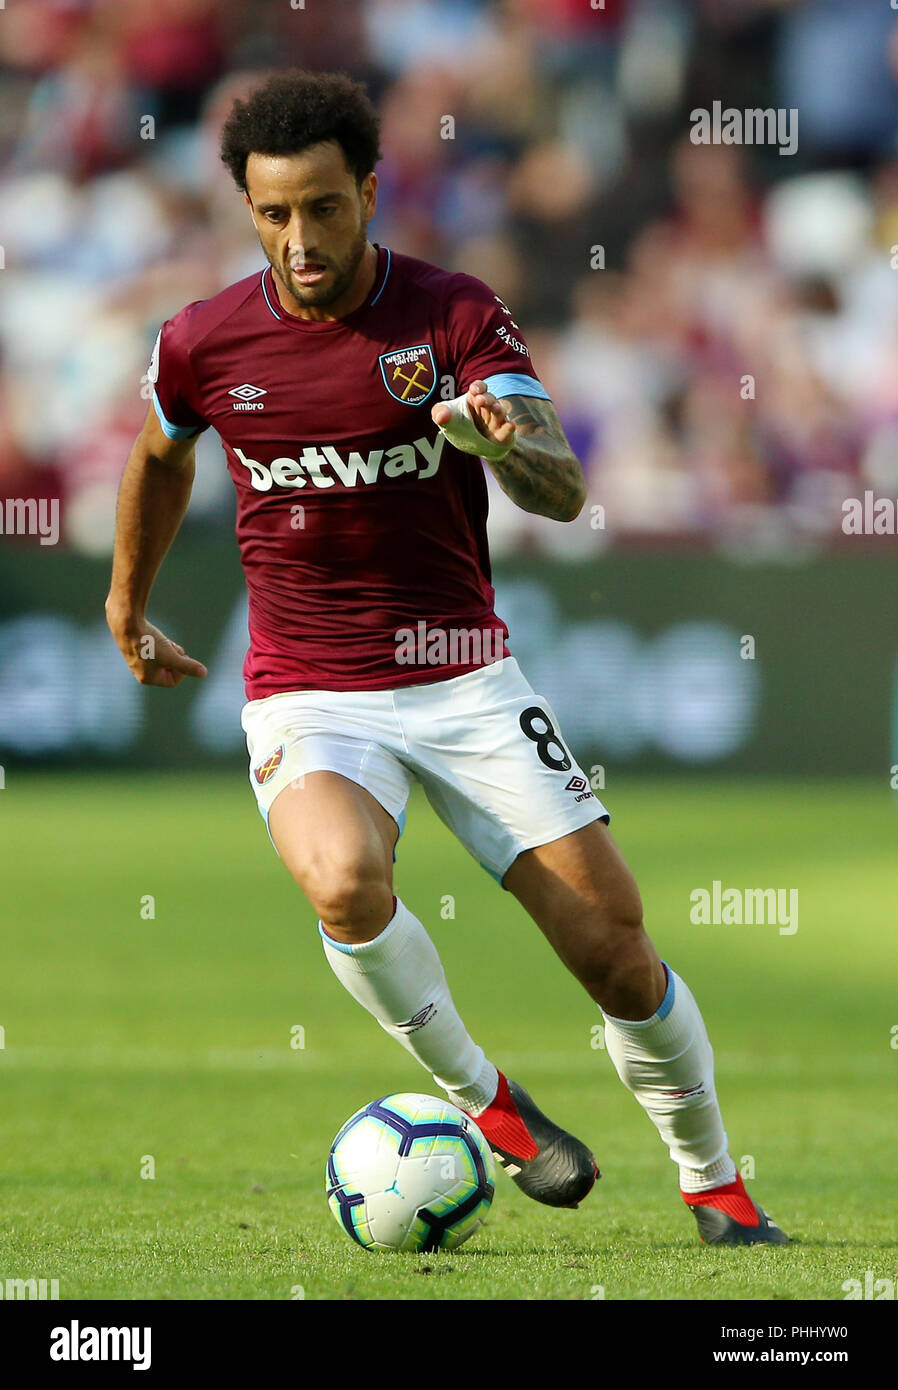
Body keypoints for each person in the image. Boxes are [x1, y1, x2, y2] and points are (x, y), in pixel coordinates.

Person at [106, 69, 787, 1244]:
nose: (300, 238)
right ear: (249, 210)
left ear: (370, 194)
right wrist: (127, 601)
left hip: (465, 679)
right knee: (340, 880)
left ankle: (714, 1185)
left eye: (324, 207)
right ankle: (490, 1104)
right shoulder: (203, 341)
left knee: (617, 955)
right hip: (309, 690)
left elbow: (561, 490)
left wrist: (497, 445)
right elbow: (161, 455)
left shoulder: (453, 314)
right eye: (274, 213)